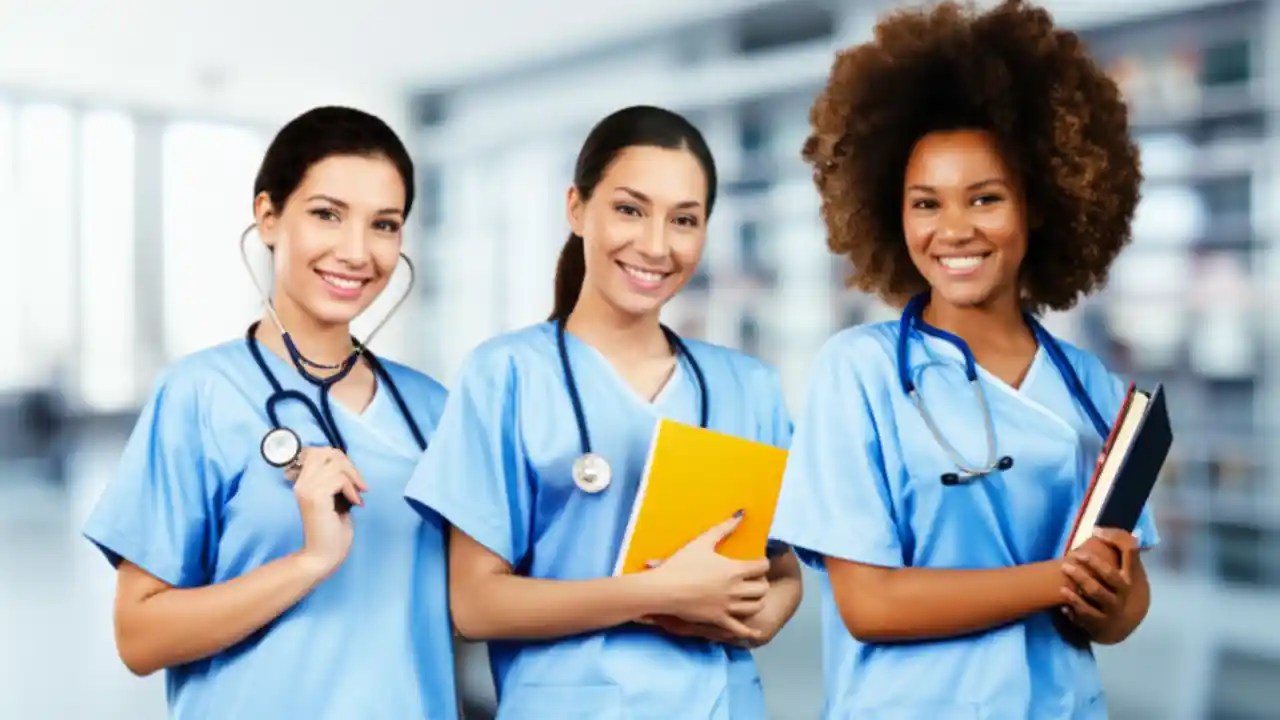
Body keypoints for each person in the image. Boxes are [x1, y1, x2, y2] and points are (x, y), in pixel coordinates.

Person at [768, 1, 1158, 718]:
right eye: (926, 204)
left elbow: (1125, 605)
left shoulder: (1092, 387)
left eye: (984, 199)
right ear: (891, 213)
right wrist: (1057, 579)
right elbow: (871, 604)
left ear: (1039, 204)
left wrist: (1112, 599)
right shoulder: (859, 373)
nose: (953, 230)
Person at [404, 105, 802, 719]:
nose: (656, 245)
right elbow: (475, 605)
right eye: (630, 209)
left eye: (684, 220)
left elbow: (781, 569)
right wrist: (654, 594)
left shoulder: (748, 387)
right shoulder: (508, 375)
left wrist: (771, 610)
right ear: (577, 208)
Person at [82, 106, 457, 719]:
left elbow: (469, 606)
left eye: (384, 225)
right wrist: (309, 562)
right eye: (327, 214)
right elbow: (140, 637)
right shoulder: (201, 393)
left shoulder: (432, 409)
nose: (356, 251)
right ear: (269, 217)